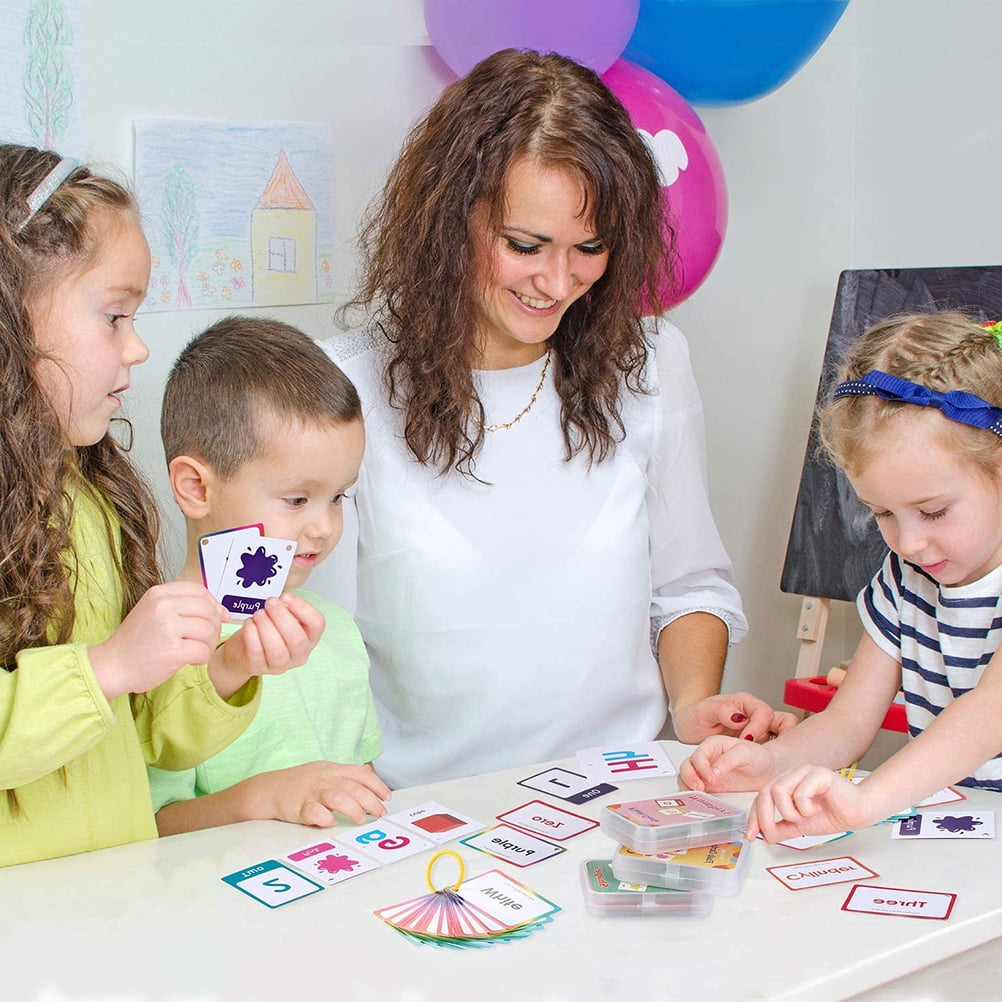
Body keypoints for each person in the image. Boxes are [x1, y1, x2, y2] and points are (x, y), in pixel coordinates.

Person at [319, 49, 793, 789]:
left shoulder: (651, 362)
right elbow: (320, 648)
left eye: (590, 249)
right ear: (451, 222)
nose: (558, 282)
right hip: (419, 818)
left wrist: (694, 701)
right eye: (524, 246)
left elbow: (688, 583)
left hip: (619, 795)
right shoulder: (342, 385)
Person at [0, 145, 322, 867]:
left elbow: (147, 736)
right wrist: (107, 667)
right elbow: (106, 682)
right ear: (11, 319)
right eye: (114, 317)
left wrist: (231, 666)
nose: (138, 348)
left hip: (116, 904)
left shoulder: (94, 500)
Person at [681, 311, 1002, 841]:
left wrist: (867, 801)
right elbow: (849, 721)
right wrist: (773, 761)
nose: (909, 542)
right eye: (883, 514)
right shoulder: (905, 578)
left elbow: (989, 713)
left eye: (935, 511)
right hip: (971, 841)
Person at [148, 317, 390, 834]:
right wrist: (269, 796)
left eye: (338, 497)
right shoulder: (149, 648)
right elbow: (151, 827)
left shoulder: (336, 632)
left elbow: (359, 794)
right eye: (297, 499)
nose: (324, 527)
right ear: (195, 487)